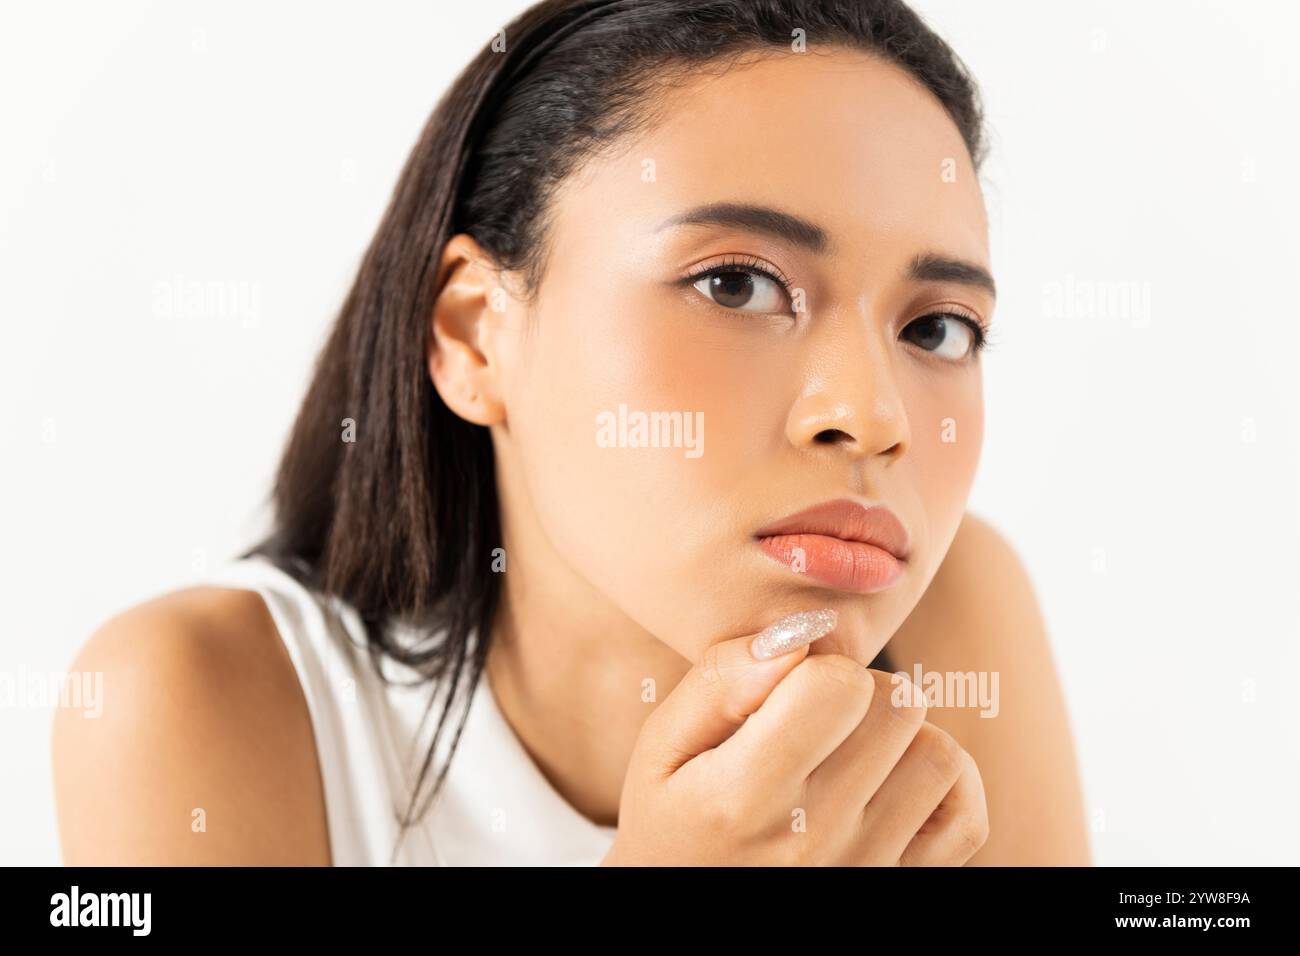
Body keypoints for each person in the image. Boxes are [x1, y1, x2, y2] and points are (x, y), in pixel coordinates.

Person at [52, 0, 1090, 866]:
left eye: (936, 326)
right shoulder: (191, 701)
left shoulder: (956, 618)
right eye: (735, 283)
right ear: (472, 334)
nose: (869, 416)